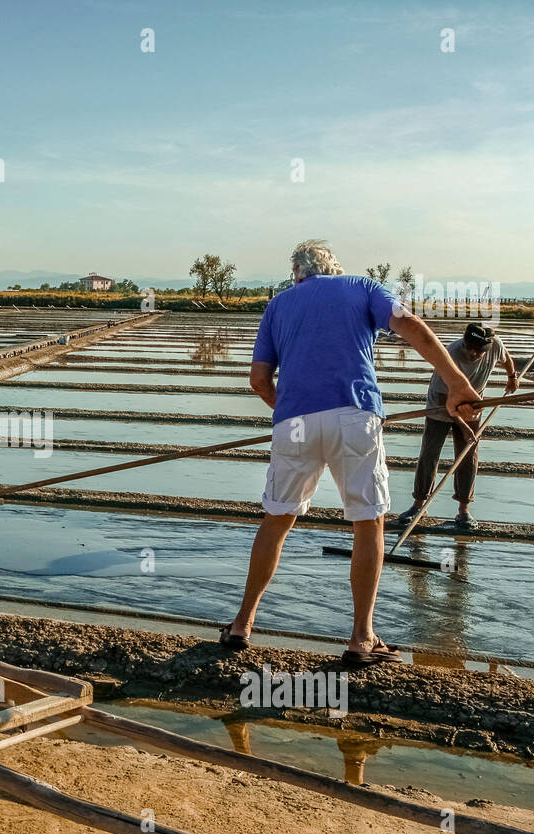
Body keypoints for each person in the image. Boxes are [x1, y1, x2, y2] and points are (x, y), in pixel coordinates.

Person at [220, 240, 480, 666]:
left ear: (298, 274)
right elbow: (409, 324)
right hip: (354, 416)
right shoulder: (362, 286)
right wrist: (456, 384)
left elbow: (259, 379)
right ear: (334, 268)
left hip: (295, 424)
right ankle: (362, 638)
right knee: (368, 521)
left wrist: (291, 411)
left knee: (278, 518)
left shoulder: (278, 305)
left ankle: (241, 624)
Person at [391, 323, 517, 531]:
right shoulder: (451, 354)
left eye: (479, 350)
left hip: (472, 408)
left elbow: (507, 358)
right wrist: (466, 428)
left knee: (468, 456)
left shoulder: (494, 346)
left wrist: (512, 377)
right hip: (440, 406)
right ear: (464, 342)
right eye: (470, 348)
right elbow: (446, 400)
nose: (474, 353)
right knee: (429, 455)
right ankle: (418, 504)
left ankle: (464, 510)